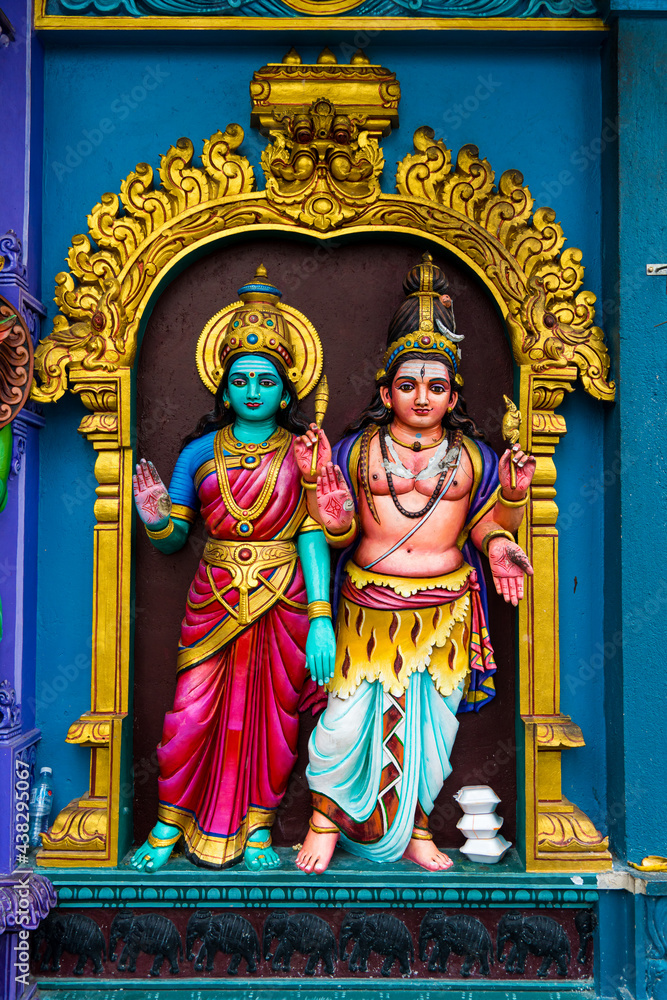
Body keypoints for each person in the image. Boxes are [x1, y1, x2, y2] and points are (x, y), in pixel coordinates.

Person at [295, 254, 535, 875]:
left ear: (454, 393)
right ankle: (324, 820)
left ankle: (417, 829)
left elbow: (484, 524)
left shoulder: (475, 457)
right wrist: (331, 508)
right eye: (407, 384)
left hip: (444, 613)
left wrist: (506, 523)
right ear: (385, 390)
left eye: (435, 385)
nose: (421, 397)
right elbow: (333, 529)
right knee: (345, 724)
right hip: (366, 609)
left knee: (431, 734)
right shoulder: (357, 449)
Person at [130, 266, 335, 872]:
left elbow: (315, 534)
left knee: (272, 720)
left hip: (285, 600)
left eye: (265, 380)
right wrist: (155, 519)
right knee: (191, 711)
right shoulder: (200, 452)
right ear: (222, 390)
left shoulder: (302, 452)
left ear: (286, 391)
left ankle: (259, 830)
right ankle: (170, 825)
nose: (252, 390)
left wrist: (321, 618)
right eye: (240, 379)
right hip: (213, 596)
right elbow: (173, 540)